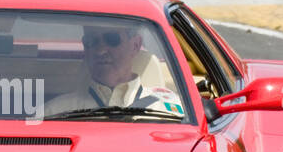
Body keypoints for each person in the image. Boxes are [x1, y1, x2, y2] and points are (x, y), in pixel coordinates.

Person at [46, 21, 184, 116]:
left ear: (135, 45)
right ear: (85, 47)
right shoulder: (53, 113)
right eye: (92, 41)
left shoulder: (172, 111)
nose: (100, 50)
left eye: (112, 39)